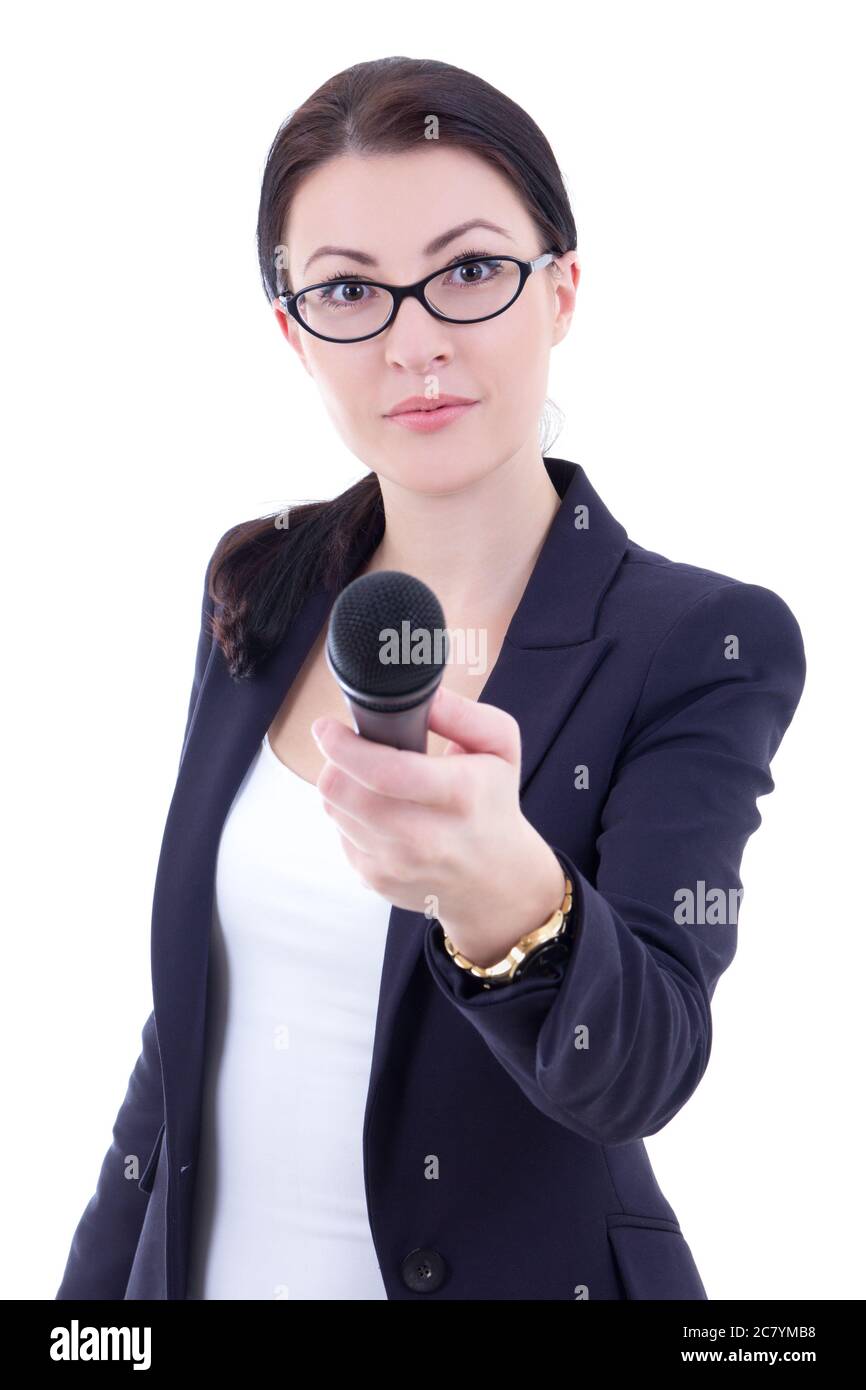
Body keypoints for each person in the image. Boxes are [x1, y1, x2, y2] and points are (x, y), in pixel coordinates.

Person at [56, 55, 806, 1302]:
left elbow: (644, 1068)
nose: (413, 343)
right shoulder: (263, 587)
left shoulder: (696, 641)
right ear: (293, 330)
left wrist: (509, 901)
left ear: (561, 291)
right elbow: (182, 1045)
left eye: (466, 271)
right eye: (348, 289)